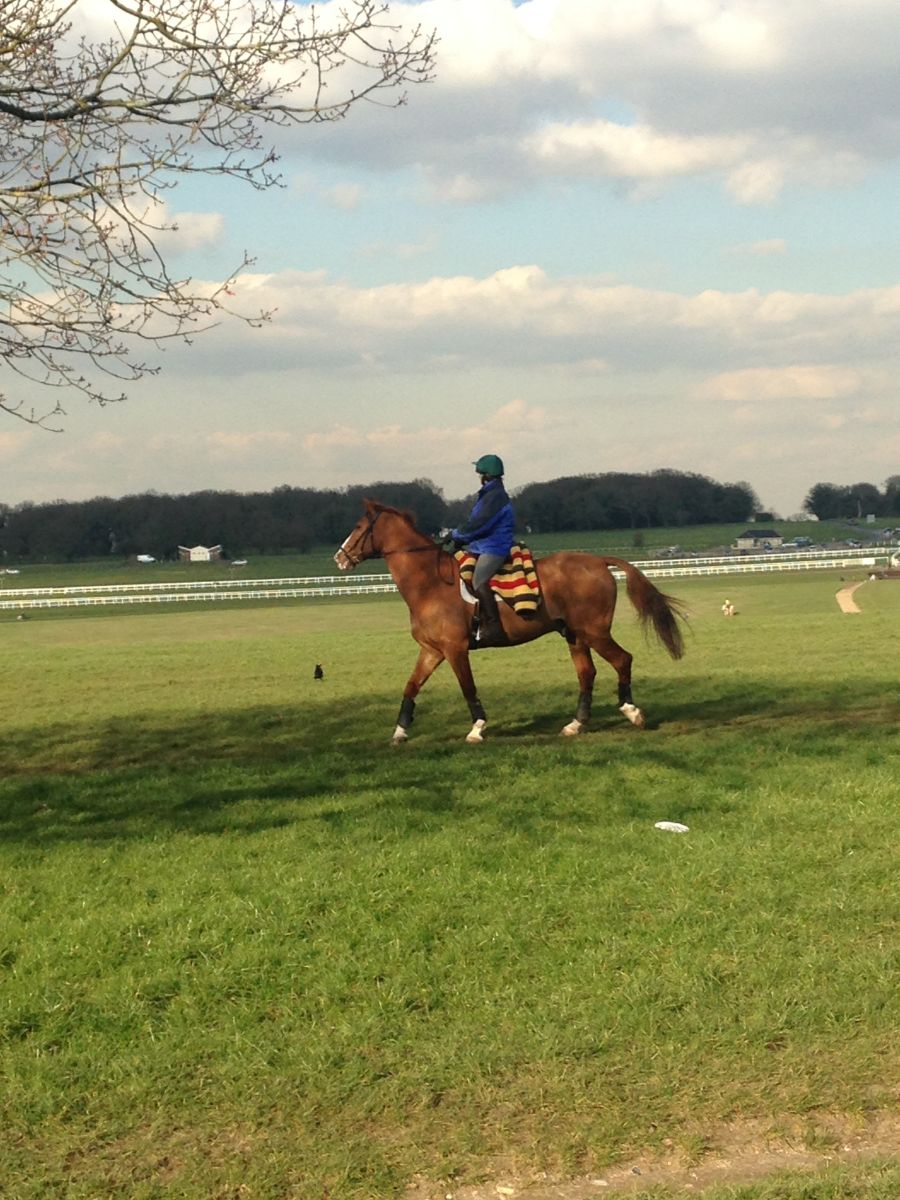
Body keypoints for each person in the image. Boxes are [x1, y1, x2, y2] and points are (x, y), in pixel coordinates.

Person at [449, 453, 516, 646]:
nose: (478, 476)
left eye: (479, 473)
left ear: (485, 475)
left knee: (478, 580)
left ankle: (494, 628)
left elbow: (480, 524)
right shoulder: (490, 494)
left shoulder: (494, 497)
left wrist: (457, 535)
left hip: (494, 548)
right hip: (482, 546)